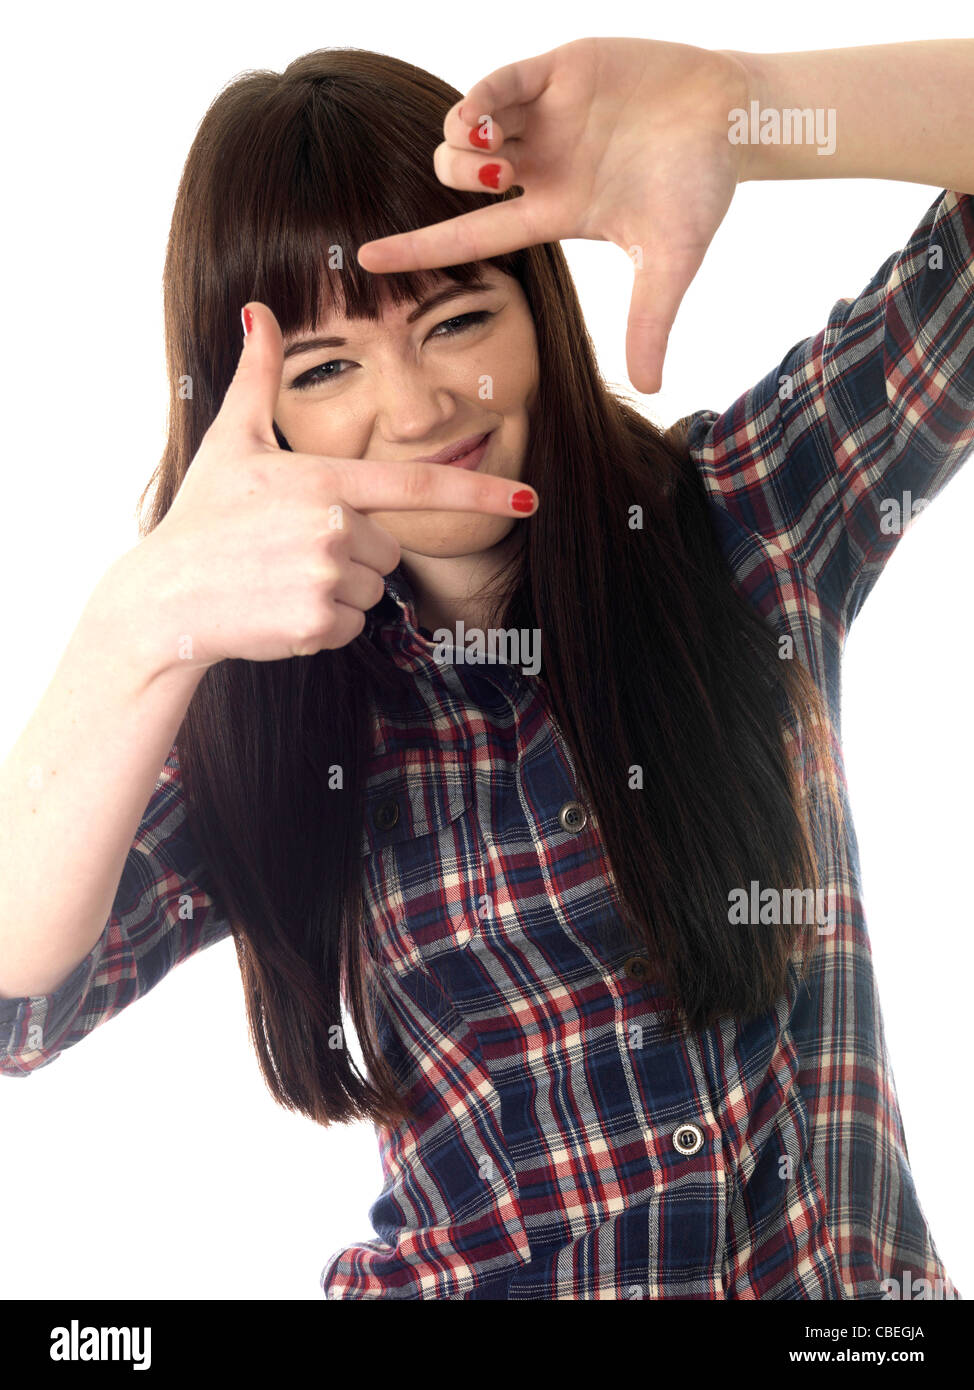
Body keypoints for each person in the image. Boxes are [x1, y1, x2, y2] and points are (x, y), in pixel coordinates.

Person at [1, 39, 970, 1301]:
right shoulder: (263, 715)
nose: (416, 411)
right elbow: (16, 1007)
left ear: (537, 305)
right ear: (260, 415)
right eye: (326, 367)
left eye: (457, 318)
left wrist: (748, 110)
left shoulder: (743, 518)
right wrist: (131, 628)